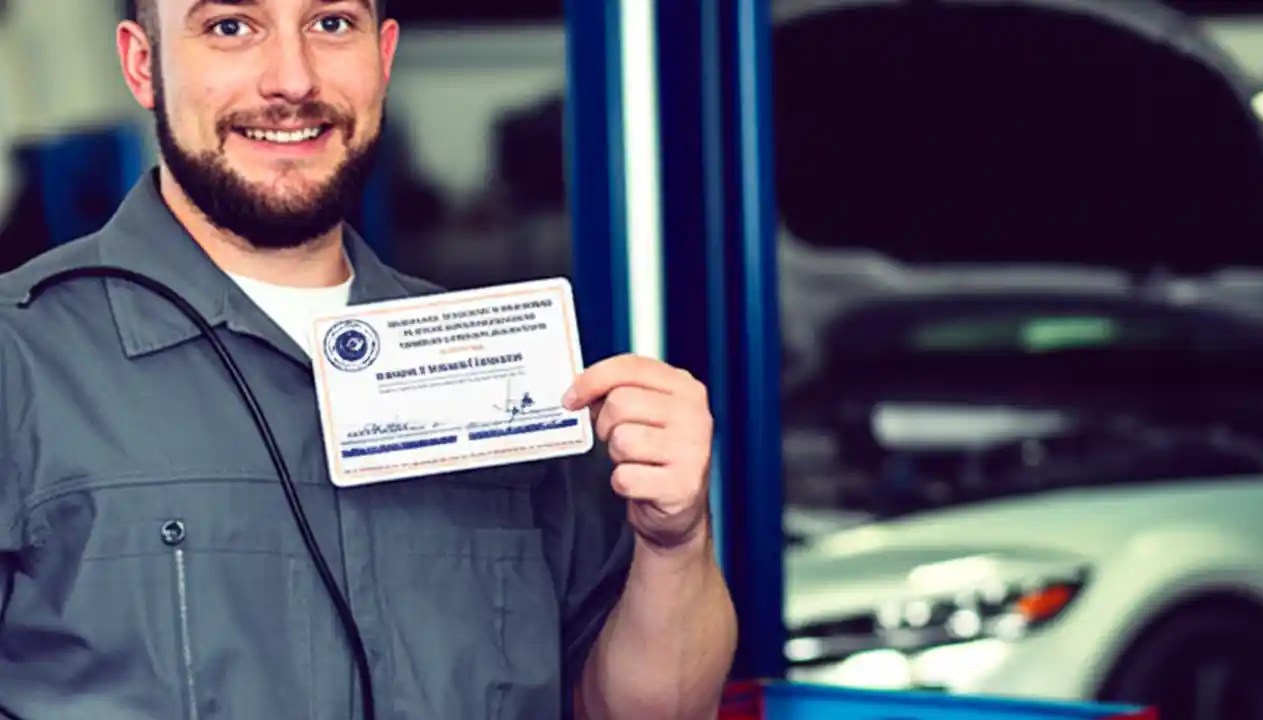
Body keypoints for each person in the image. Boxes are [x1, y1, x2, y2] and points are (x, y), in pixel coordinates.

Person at [0, 0, 737, 718]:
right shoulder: (21, 360)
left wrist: (675, 542)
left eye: (330, 24)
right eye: (231, 26)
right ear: (142, 64)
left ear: (382, 56)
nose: (291, 80)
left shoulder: (506, 374)